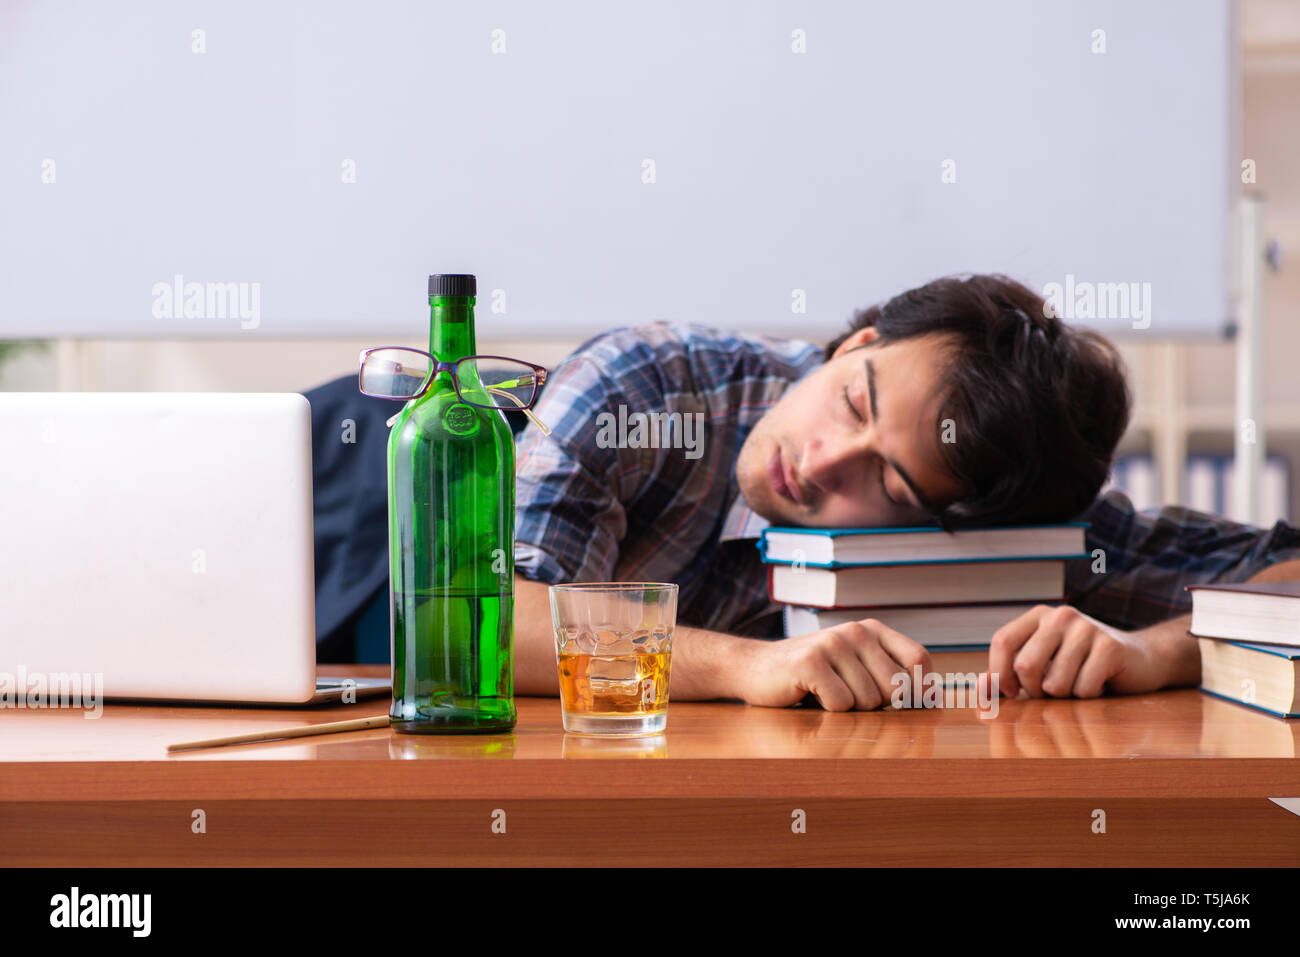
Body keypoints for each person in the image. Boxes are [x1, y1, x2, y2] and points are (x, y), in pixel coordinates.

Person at [510, 274, 1300, 709]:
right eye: (856, 401)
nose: (820, 464)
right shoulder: (646, 390)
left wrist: (1150, 652)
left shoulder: (1010, 518)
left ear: (957, 528)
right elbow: (476, 618)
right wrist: (748, 668)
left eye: (888, 479)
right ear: (859, 343)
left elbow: (1287, 577)